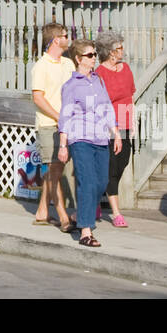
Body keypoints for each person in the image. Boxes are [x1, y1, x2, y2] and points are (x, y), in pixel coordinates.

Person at [57, 41, 121, 248]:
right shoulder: (71, 86)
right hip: (80, 138)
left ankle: (78, 214)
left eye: (95, 54)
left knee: (101, 183)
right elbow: (65, 115)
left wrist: (116, 133)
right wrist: (63, 145)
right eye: (90, 55)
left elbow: (107, 108)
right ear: (78, 59)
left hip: (101, 137)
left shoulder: (98, 81)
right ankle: (86, 231)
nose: (94, 57)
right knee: (87, 182)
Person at [30, 22, 74, 230]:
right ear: (57, 39)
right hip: (49, 125)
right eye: (66, 35)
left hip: (68, 125)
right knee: (54, 169)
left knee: (55, 171)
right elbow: (38, 98)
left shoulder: (68, 64)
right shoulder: (41, 66)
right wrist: (58, 116)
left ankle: (42, 212)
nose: (68, 38)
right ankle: (63, 217)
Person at [93, 30, 136, 228]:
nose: (122, 50)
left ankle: (96, 200)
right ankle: (116, 213)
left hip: (127, 123)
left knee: (122, 163)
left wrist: (134, 121)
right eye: (119, 47)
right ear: (110, 51)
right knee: (111, 168)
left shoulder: (126, 68)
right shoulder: (99, 74)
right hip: (109, 126)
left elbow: (131, 96)